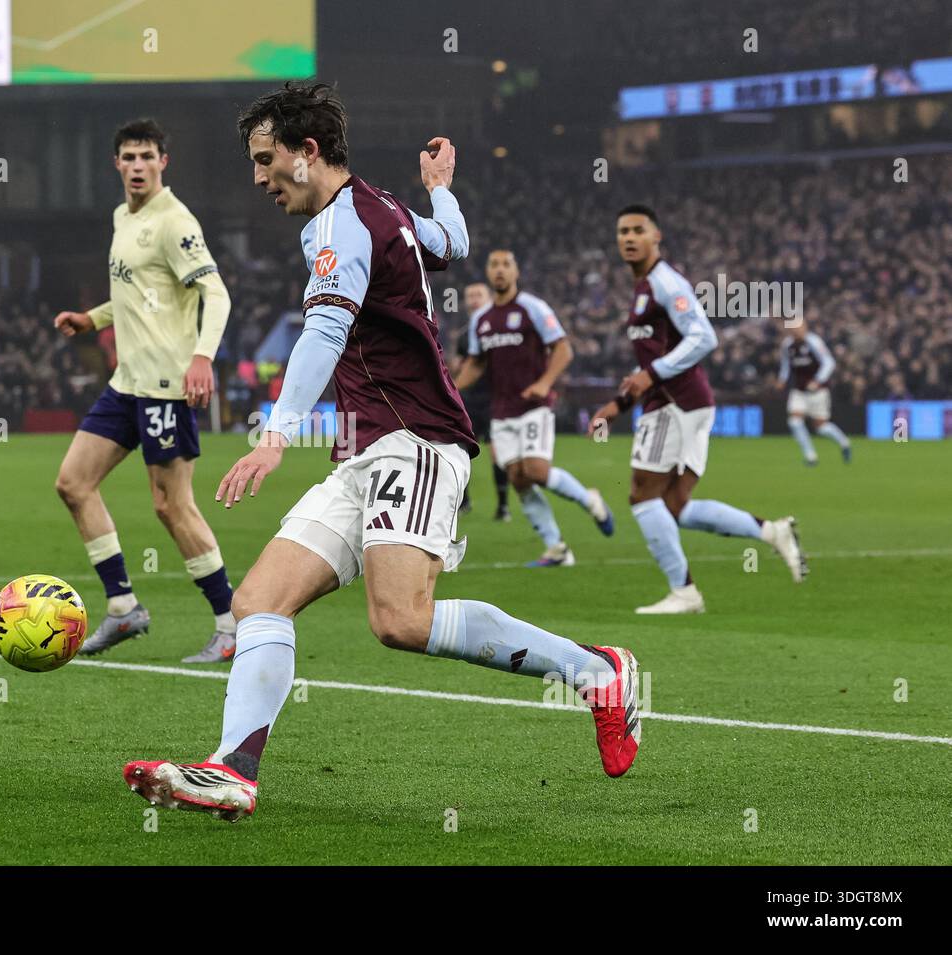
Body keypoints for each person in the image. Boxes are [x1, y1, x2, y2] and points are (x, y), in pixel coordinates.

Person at [123, 83, 640, 821]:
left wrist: (275, 436)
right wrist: (441, 192)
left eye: (267, 161)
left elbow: (325, 335)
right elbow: (449, 245)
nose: (259, 177)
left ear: (307, 154)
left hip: (419, 439)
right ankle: (232, 769)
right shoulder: (383, 207)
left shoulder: (343, 226)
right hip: (365, 449)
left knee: (400, 619)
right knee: (260, 600)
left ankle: (597, 671)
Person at [53, 118, 238, 664]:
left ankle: (231, 624)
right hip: (125, 384)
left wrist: (202, 357)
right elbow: (135, 296)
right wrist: (92, 320)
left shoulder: (174, 222)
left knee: (172, 506)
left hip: (164, 387)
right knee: (73, 483)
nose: (137, 166)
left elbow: (217, 294)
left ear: (164, 162)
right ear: (116, 164)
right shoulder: (122, 217)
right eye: (128, 157)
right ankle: (123, 608)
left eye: (147, 157)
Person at [589, 205, 807, 615]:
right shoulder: (642, 288)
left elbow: (704, 337)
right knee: (675, 507)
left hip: (674, 404)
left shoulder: (665, 283)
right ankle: (772, 531)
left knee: (641, 495)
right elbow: (657, 357)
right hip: (682, 402)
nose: (630, 238)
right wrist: (619, 404)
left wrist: (651, 375)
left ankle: (684, 592)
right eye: (623, 231)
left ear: (657, 236)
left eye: (638, 230)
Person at [454, 249, 614, 566]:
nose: (500, 270)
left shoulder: (533, 308)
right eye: (494, 265)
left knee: (536, 471)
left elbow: (563, 349)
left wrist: (545, 382)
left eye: (506, 264)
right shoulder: (481, 321)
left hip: (533, 406)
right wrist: (453, 388)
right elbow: (476, 362)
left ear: (516, 272)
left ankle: (588, 498)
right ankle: (557, 549)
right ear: (489, 273)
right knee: (518, 477)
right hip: (502, 410)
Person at [450, 281, 511, 521]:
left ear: (488, 298)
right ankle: (464, 500)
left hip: (495, 399)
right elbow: (459, 365)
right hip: (469, 399)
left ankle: (503, 506)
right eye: (470, 295)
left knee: (498, 452)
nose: (474, 299)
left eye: (479, 295)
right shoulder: (464, 334)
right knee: (461, 450)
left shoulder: (501, 329)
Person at [778, 319, 852, 465]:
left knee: (821, 428)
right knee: (794, 421)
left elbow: (829, 362)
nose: (796, 330)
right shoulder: (787, 344)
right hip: (799, 390)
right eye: (793, 327)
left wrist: (817, 380)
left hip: (818, 391)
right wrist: (782, 379)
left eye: (799, 326)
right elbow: (786, 364)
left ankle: (843, 441)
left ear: (805, 327)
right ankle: (810, 456)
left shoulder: (813, 342)